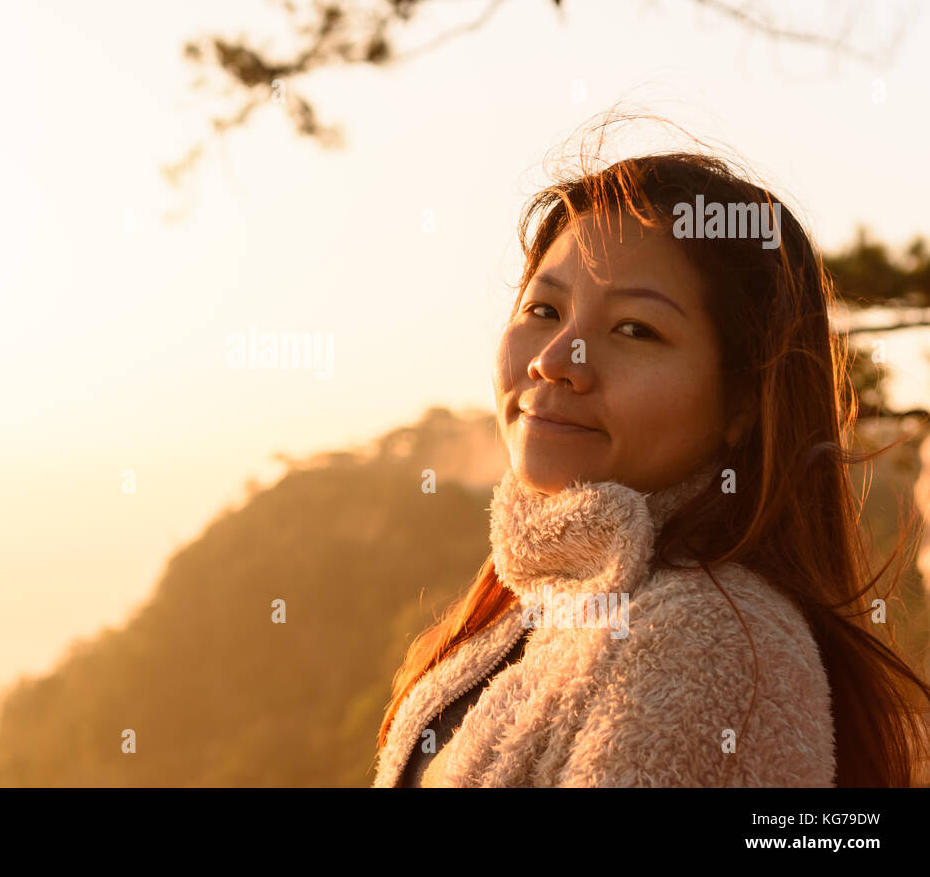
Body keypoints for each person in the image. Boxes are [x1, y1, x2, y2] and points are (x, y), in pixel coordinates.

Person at [373, 124, 930, 787]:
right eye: (544, 311)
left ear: (744, 401)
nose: (556, 362)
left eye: (634, 329)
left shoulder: (710, 642)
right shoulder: (534, 606)